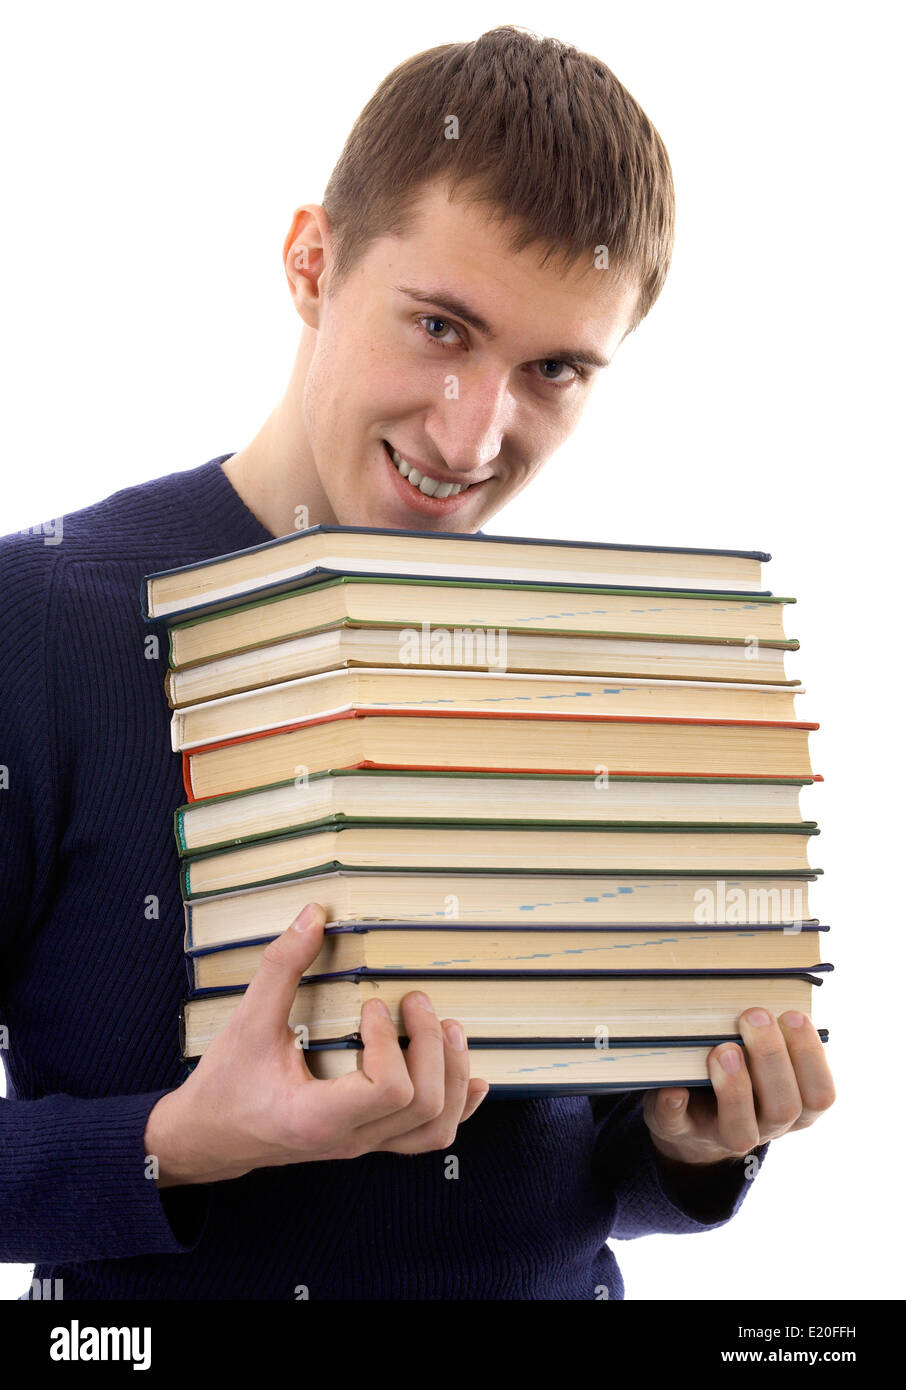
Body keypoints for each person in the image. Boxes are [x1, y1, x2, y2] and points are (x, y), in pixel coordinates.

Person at [0, 25, 834, 1302]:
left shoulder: (588, 660)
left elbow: (578, 1170)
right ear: (311, 262)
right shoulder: (44, 617)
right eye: (442, 325)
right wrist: (175, 1145)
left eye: (553, 369)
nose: (473, 431)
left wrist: (690, 1142)